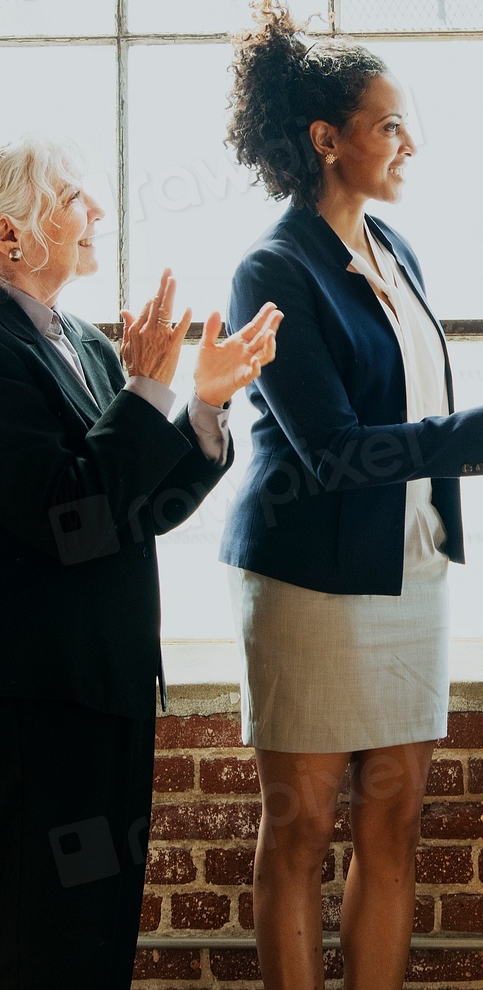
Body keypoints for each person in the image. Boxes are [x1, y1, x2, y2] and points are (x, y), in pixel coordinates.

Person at [220, 0, 483, 990]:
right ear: (326, 139)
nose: (409, 143)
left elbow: (417, 407)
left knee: (393, 825)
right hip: (310, 583)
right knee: (298, 833)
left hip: (409, 573)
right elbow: (334, 450)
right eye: (390, 124)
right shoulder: (272, 266)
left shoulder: (396, 251)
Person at [0, 137, 282, 990]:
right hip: (37, 707)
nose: (95, 213)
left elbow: (137, 510)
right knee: (42, 935)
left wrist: (200, 401)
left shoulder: (84, 343)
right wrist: (149, 390)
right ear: (9, 236)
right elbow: (70, 517)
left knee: (101, 928)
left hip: (109, 686)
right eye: (72, 197)